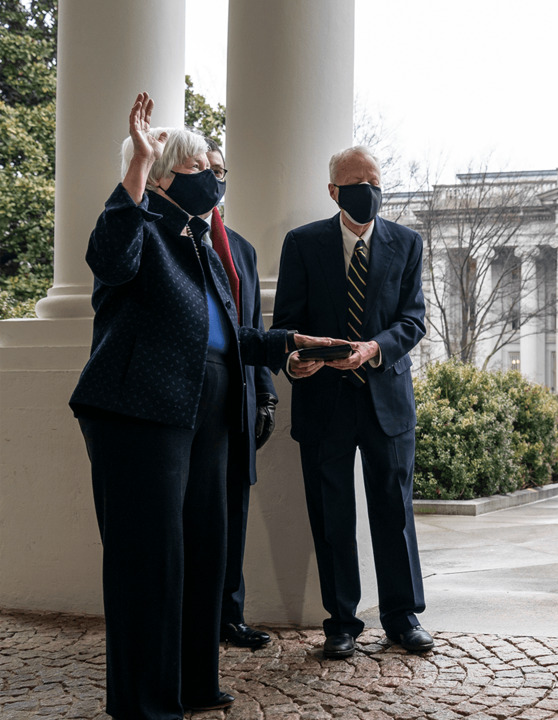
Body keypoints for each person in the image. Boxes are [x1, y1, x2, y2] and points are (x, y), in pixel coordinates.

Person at [69, 93, 338, 719]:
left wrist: (293, 345)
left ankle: (193, 684)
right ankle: (144, 702)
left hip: (209, 416)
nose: (214, 181)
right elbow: (107, 260)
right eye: (199, 171)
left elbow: (232, 336)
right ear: (162, 178)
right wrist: (133, 167)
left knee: (204, 552)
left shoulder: (199, 242)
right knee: (149, 562)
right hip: (141, 416)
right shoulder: (139, 230)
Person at [272, 145, 432, 658]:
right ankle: (341, 621)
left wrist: (373, 349)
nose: (369, 190)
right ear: (334, 190)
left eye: (375, 180)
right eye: (357, 182)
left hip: (387, 400)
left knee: (394, 512)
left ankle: (402, 618)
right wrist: (294, 362)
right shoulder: (302, 244)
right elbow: (285, 327)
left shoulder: (408, 243)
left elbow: (412, 320)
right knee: (331, 514)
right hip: (325, 402)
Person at [203, 138, 277, 650]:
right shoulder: (178, 239)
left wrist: (267, 395)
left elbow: (252, 327)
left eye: (220, 170)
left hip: (241, 405)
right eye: (205, 169)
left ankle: (231, 616)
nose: (214, 178)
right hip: (197, 405)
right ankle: (196, 621)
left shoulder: (243, 250)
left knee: (234, 515)